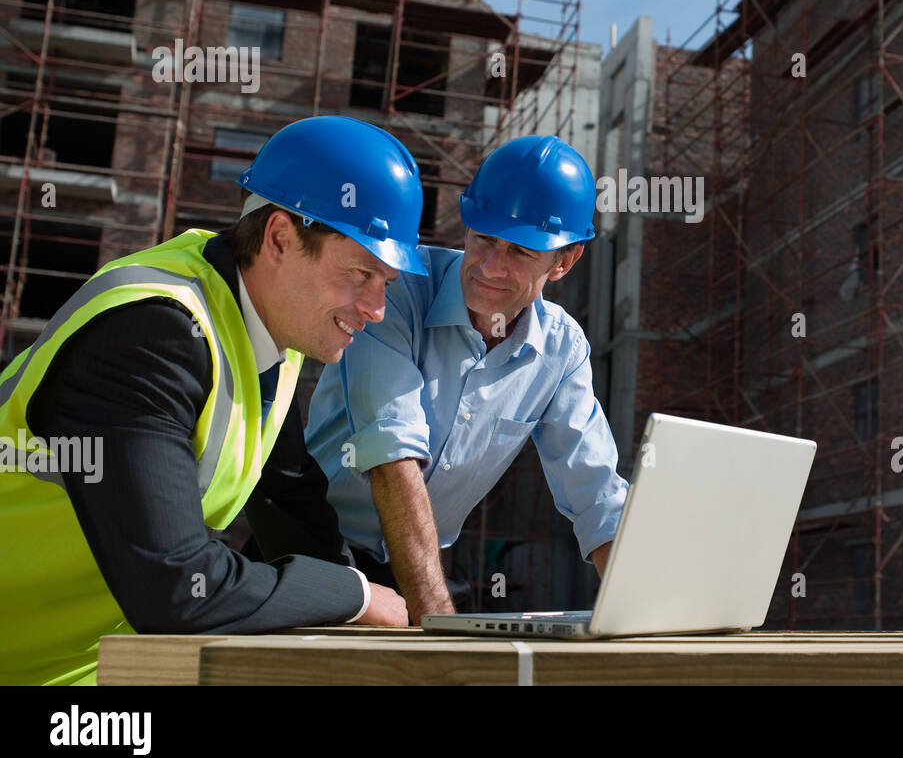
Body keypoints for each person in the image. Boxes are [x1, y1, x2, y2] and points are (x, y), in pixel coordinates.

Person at [0, 115, 425, 686]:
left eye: (387, 284)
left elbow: (291, 502)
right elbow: (174, 586)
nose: (376, 309)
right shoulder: (150, 333)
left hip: (70, 672)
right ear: (279, 238)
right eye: (360, 273)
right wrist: (353, 595)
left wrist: (380, 613)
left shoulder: (272, 331)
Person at [306, 134, 628, 619]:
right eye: (483, 239)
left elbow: (597, 493)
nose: (490, 267)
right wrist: (436, 623)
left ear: (564, 261)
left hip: (420, 565)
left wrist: (650, 613)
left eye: (520, 251)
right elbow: (392, 454)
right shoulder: (394, 291)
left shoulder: (562, 350)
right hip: (309, 545)